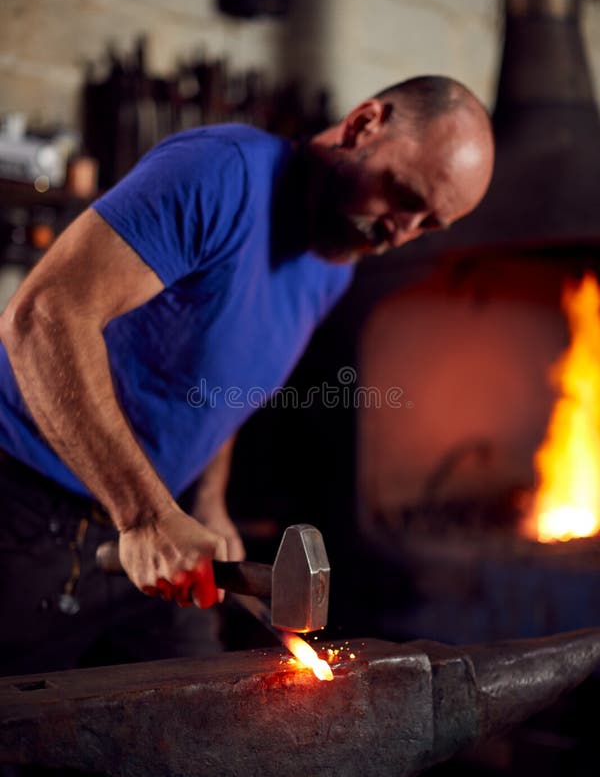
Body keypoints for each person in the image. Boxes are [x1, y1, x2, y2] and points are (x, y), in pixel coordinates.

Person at [0, 75, 494, 676]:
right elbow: (43, 315)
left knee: (202, 738)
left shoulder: (334, 262)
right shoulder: (221, 173)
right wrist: (146, 516)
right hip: (26, 507)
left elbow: (226, 386)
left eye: (427, 225)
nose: (400, 234)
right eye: (401, 194)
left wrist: (206, 502)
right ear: (364, 125)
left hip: (153, 530)